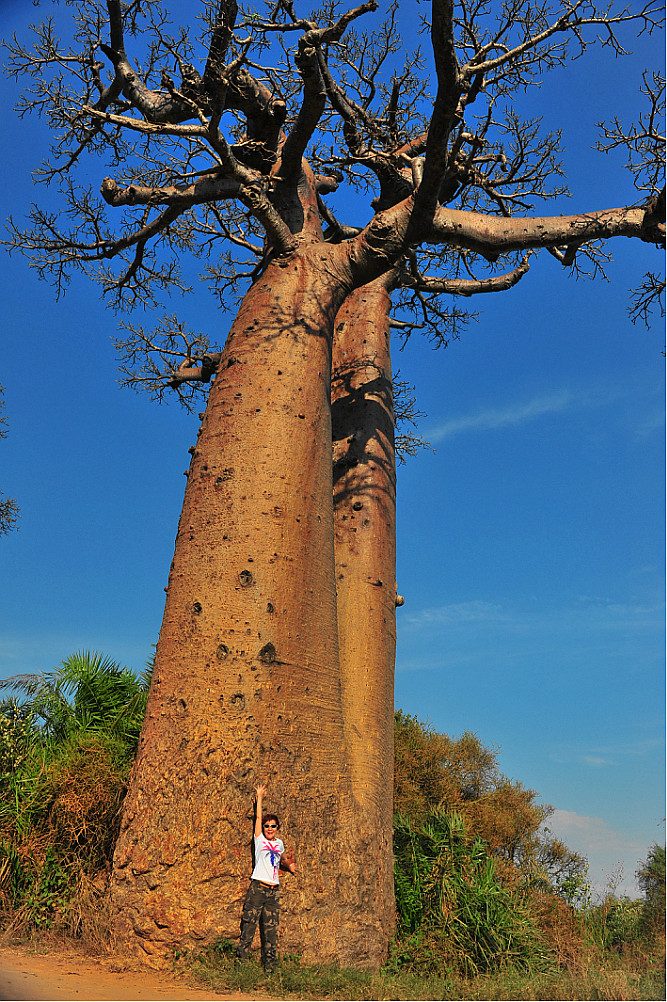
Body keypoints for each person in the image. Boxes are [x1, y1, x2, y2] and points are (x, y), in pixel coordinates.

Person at [236, 783, 296, 972]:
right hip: (258, 889)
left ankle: (270, 968)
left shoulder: (279, 843)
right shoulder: (259, 839)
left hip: (273, 891)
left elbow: (282, 858)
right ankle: (241, 965)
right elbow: (258, 816)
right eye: (267, 826)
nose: (270, 828)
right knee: (249, 927)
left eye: (273, 826)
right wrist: (259, 798)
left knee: (271, 932)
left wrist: (289, 866)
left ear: (277, 828)